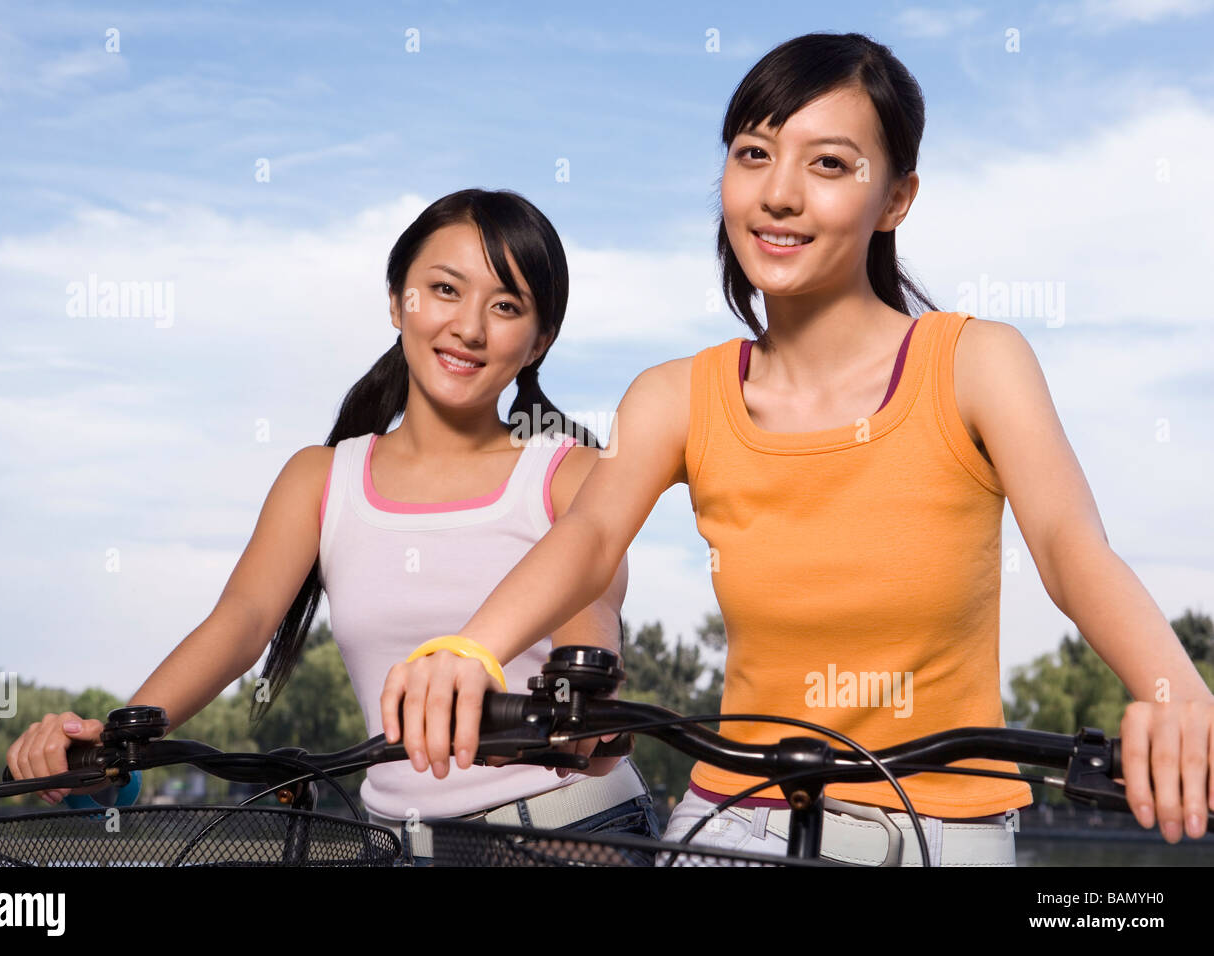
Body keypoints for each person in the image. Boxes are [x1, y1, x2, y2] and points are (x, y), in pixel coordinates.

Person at [380, 34, 1214, 866]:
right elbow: (589, 537)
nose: (778, 195)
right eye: (754, 154)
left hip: (940, 832)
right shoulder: (676, 395)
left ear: (896, 199)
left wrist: (1167, 684)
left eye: (829, 165)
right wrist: (470, 646)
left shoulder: (976, 364)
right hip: (732, 821)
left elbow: (1071, 550)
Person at [5, 188, 660, 866]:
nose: (469, 327)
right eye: (444, 289)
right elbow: (240, 621)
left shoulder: (571, 472)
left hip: (570, 835)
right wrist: (112, 742)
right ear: (396, 299)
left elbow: (591, 614)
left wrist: (589, 712)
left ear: (539, 341)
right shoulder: (320, 479)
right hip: (391, 842)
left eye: (505, 306)